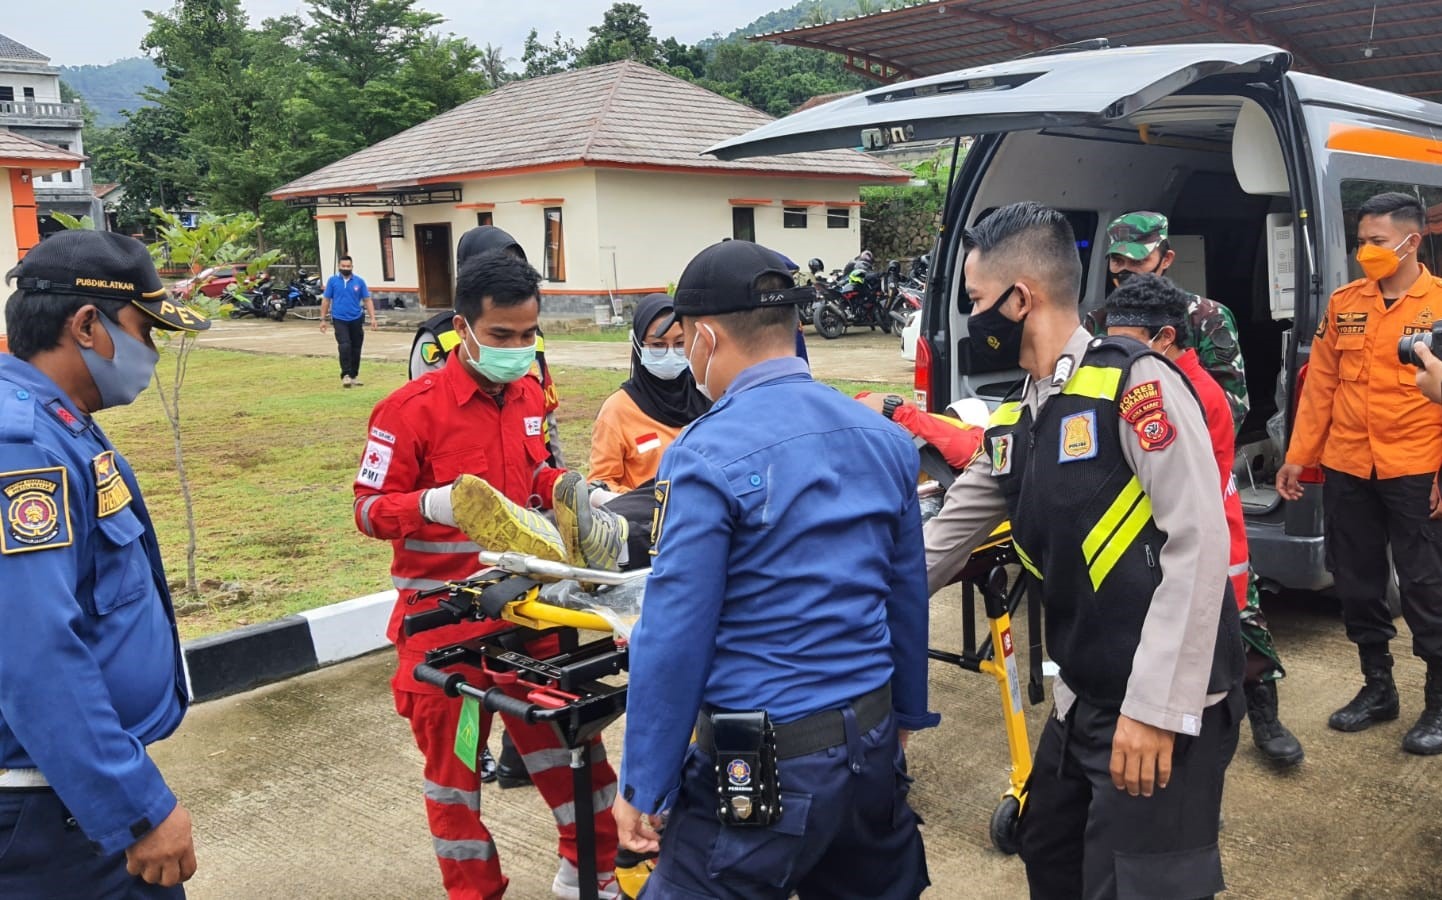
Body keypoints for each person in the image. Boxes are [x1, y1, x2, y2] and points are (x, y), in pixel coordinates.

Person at [925, 202, 1242, 899]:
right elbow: (934, 547)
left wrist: (1156, 711)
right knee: (1052, 848)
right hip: (1088, 695)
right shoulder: (1018, 416)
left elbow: (1199, 543)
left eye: (976, 302)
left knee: (1139, 885)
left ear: (1020, 299)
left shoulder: (1137, 384)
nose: (972, 319)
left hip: (1163, 703)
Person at [611, 240, 939, 899]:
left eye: (684, 342)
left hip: (760, 766)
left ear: (704, 337)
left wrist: (643, 783)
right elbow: (907, 593)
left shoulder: (705, 455)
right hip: (870, 746)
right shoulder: (881, 437)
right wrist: (905, 713)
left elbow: (675, 633)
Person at [353, 249, 621, 900]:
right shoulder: (408, 411)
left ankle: (593, 869)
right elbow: (366, 511)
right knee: (457, 775)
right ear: (463, 328)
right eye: (503, 336)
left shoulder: (529, 394)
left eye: (530, 335)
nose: (518, 348)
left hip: (523, 618)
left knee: (568, 751)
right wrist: (431, 503)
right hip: (444, 632)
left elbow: (529, 476)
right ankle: (476, 892)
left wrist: (569, 490)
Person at [0, 230, 209, 897]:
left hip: (62, 795)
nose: (150, 352)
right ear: (87, 325)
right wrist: (134, 810)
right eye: (144, 331)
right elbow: (35, 651)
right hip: (53, 812)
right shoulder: (25, 450)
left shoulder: (58, 419)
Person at [1105, 273, 1304, 767]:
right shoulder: (1148, 377)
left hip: (1208, 526)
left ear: (1164, 339)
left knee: (1238, 626)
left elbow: (1189, 488)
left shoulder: (1190, 392)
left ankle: (1261, 717)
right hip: (1175, 528)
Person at [1278, 191, 1442, 756]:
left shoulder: (1440, 305)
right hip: (1350, 465)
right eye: (1361, 241)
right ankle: (1378, 689)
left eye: (1376, 242)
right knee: (1357, 582)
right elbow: (1321, 386)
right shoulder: (1346, 303)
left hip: (1418, 470)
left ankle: (1439, 704)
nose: (1364, 252)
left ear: (1411, 240)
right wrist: (1298, 455)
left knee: (1426, 585)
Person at [409, 226, 564, 467]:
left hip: (528, 459)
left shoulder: (531, 335)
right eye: (500, 335)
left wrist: (559, 478)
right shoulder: (437, 338)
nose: (516, 345)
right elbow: (430, 416)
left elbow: (545, 411)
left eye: (525, 335)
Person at [1085, 211, 1249, 432]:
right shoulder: (1098, 320)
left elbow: (1232, 405)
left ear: (1166, 259)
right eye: (1118, 261)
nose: (1127, 271)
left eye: (1139, 261)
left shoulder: (1207, 317)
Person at [589, 293, 710, 491]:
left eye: (680, 344)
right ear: (638, 346)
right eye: (657, 345)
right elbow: (600, 484)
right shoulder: (618, 410)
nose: (670, 353)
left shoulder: (707, 395)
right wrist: (649, 503)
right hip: (644, 519)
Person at [319, 254, 376, 388]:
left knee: (356, 347)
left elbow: (367, 300)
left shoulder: (359, 281)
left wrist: (373, 318)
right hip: (339, 318)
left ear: (352, 267)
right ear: (339, 266)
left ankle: (354, 375)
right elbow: (326, 300)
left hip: (356, 318)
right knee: (344, 345)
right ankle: (345, 375)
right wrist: (322, 319)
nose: (346, 268)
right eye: (343, 266)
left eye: (348, 266)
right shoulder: (333, 281)